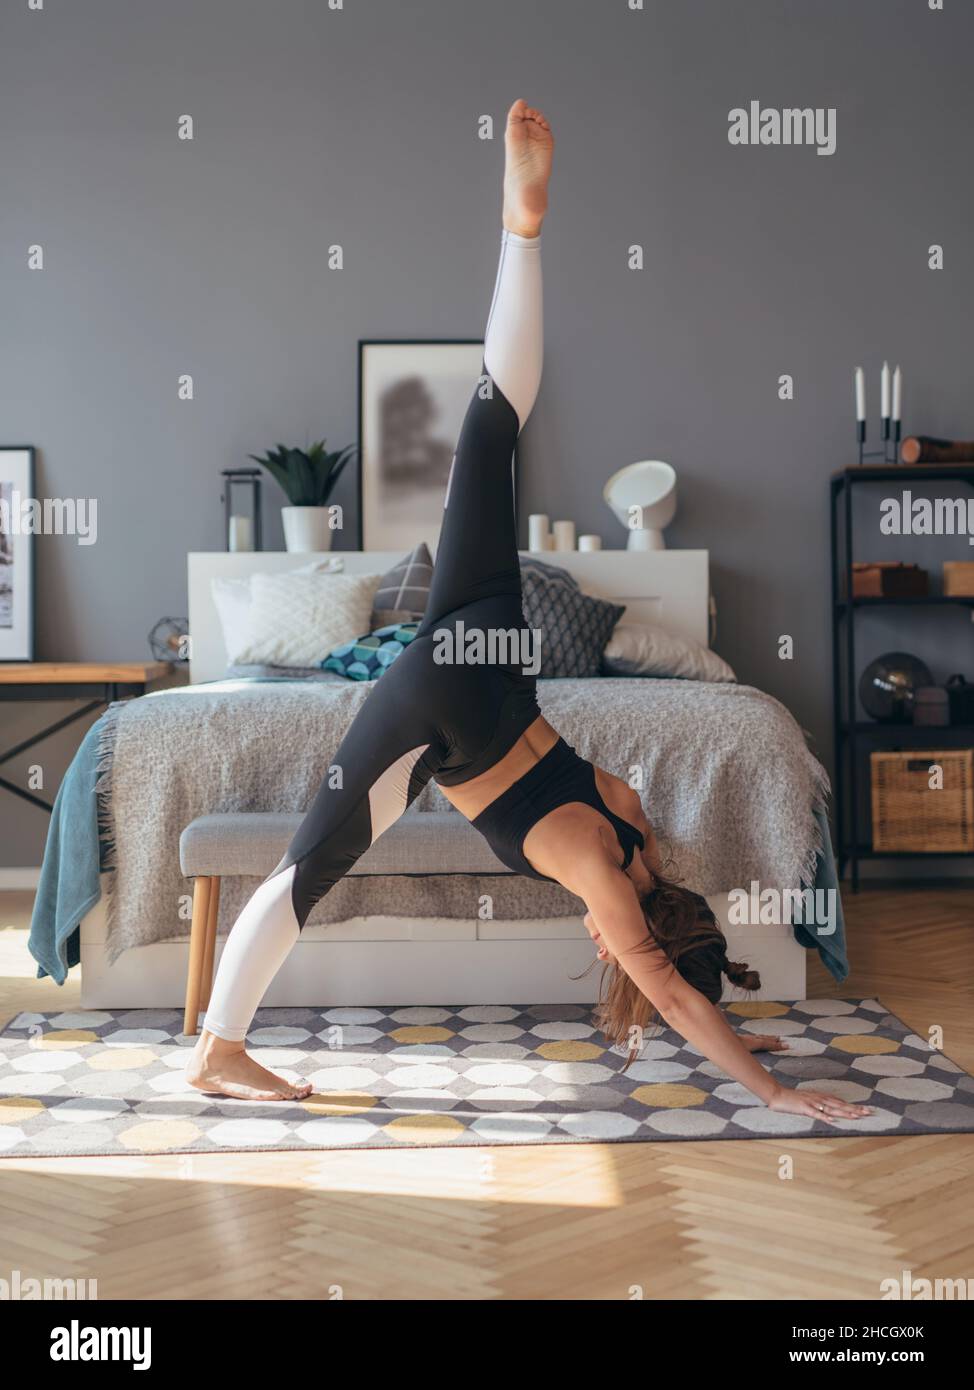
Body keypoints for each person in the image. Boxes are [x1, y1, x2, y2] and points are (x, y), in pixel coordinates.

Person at [188, 100, 870, 1128]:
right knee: (303, 869)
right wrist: (771, 1087)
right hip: (431, 710)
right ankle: (218, 1052)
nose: (603, 948)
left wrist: (712, 991)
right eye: (620, 948)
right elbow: (675, 993)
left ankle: (521, 229)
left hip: (480, 654)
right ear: (633, 925)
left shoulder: (630, 815)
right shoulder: (601, 875)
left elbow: (679, 972)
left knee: (490, 429)